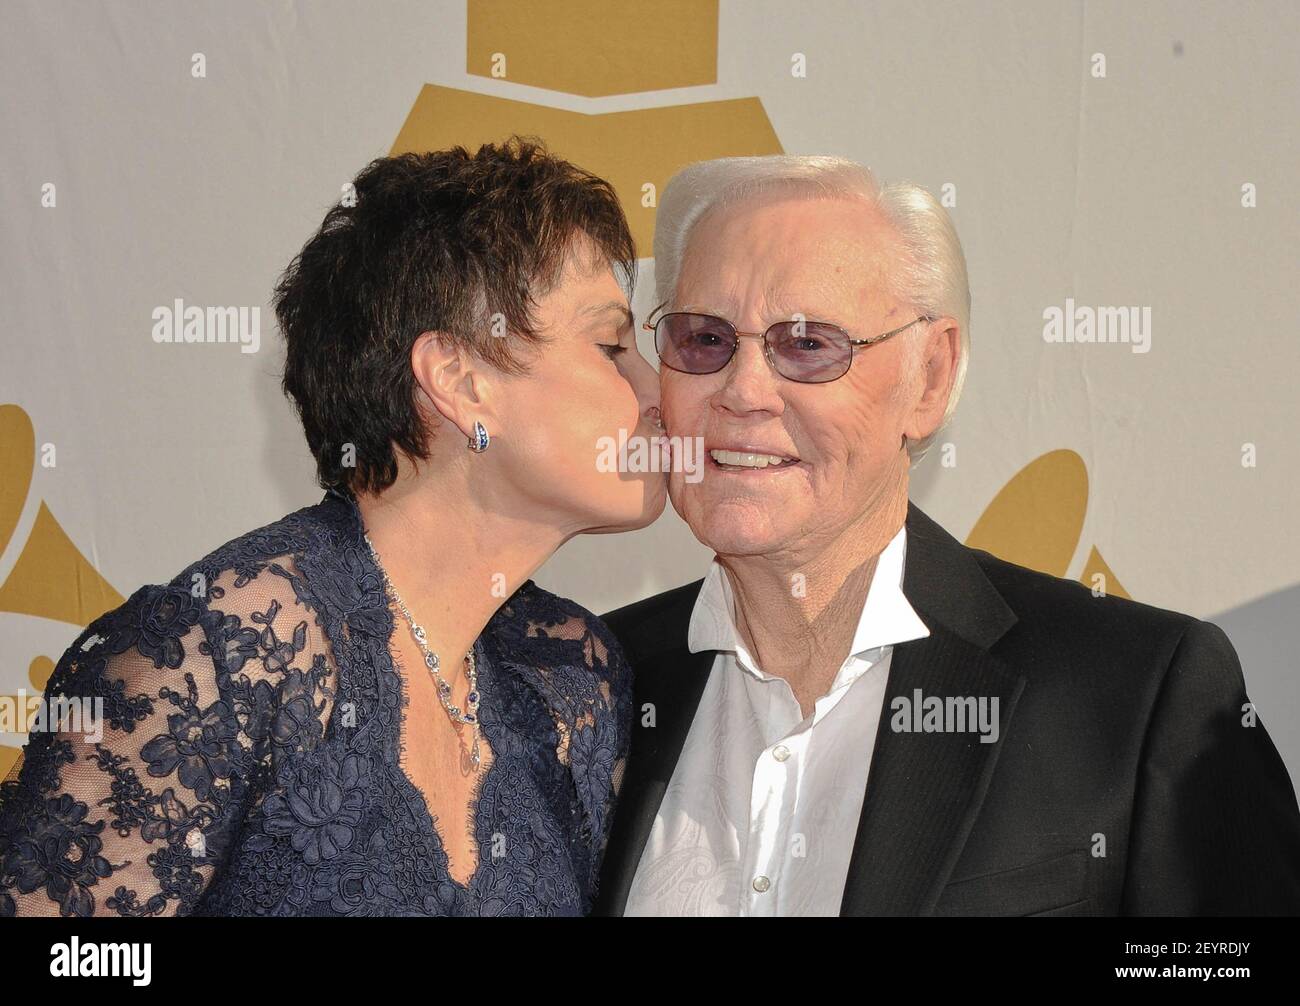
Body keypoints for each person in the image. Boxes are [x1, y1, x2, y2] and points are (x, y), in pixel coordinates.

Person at [593, 153, 1300, 916]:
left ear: (930, 379)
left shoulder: (1136, 697)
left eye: (807, 344)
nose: (743, 392)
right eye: (704, 340)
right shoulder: (589, 686)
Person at [0, 136, 665, 917]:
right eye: (612, 345)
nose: (656, 391)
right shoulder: (212, 657)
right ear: (459, 381)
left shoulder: (571, 676)